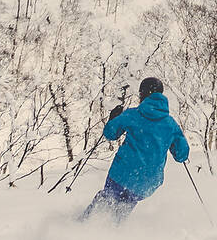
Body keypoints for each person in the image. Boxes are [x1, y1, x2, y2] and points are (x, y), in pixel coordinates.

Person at [80, 76, 189, 222]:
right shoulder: (170, 124)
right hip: (147, 183)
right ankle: (111, 232)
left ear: (142, 94)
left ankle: (82, 225)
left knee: (105, 199)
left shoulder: (133, 115)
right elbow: (182, 155)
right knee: (125, 205)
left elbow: (110, 134)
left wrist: (113, 118)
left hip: (123, 173)